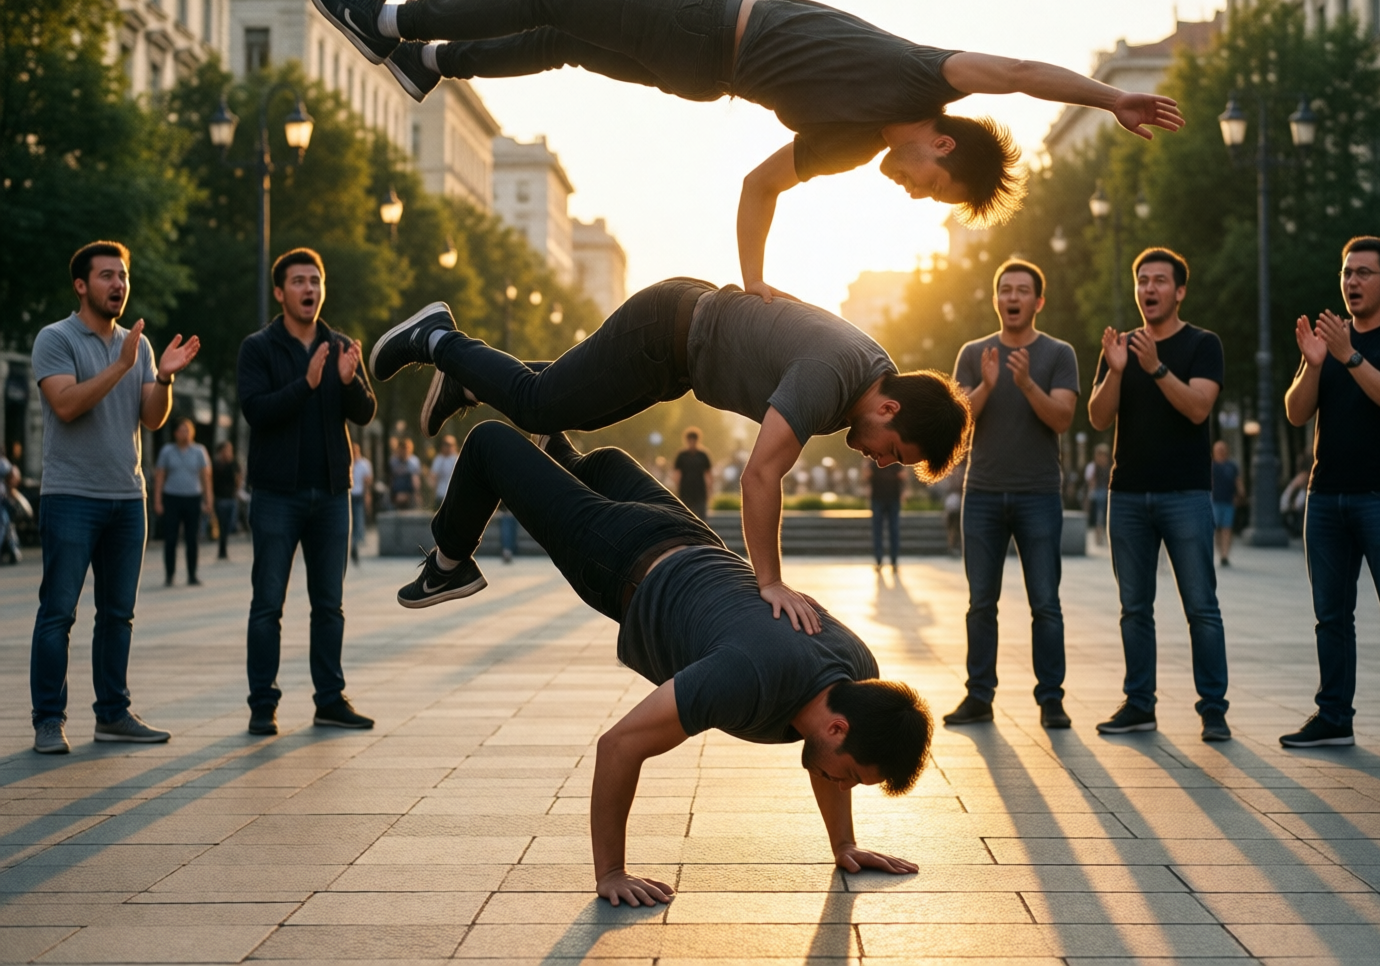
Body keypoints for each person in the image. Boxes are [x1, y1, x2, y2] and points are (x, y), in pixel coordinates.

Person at [306, 0, 1182, 302]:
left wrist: (757, 285)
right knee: (563, 40)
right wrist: (1110, 98)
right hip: (700, 69)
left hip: (705, 31)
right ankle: (435, 64)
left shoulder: (856, 143)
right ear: (943, 141)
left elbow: (757, 188)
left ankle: (389, 21)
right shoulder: (927, 77)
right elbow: (1026, 76)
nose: (914, 190)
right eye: (931, 184)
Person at [395, 420, 931, 905]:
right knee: (491, 444)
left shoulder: (859, 671)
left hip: (693, 539)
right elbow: (619, 745)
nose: (842, 786)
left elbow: (825, 756)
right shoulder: (744, 678)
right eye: (853, 777)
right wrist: (612, 873)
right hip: (617, 558)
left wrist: (845, 844)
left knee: (600, 464)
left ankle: (532, 413)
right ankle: (448, 563)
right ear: (838, 727)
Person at [371, 282, 970, 634]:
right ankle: (439, 338)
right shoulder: (831, 379)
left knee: (558, 404)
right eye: (893, 453)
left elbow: (788, 312)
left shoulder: (873, 367)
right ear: (890, 410)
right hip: (664, 332)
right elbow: (761, 474)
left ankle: (470, 382)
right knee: (537, 404)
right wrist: (771, 583)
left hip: (681, 348)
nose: (881, 462)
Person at [30, 241, 200, 754]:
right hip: (70, 495)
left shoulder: (138, 345)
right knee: (58, 612)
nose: (118, 285)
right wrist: (122, 367)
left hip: (127, 497)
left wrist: (163, 376)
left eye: (122, 276)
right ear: (81, 285)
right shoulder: (55, 339)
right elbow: (64, 404)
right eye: (106, 276)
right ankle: (47, 720)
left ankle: (112, 714)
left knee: (118, 614)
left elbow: (151, 418)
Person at [1281, 236, 1380, 760]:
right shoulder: (1331, 342)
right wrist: (1313, 363)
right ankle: (1334, 718)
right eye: (1347, 273)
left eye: (1364, 273)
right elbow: (1296, 413)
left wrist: (1348, 357)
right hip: (1326, 497)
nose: (1352, 282)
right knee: (1331, 616)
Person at [1087, 248, 1230, 744]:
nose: (1149, 289)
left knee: (1201, 607)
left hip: (1185, 494)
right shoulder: (1121, 348)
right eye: (1142, 281)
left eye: (1160, 281)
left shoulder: (1202, 344)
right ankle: (1139, 705)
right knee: (1134, 608)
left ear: (1179, 291)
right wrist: (1119, 369)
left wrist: (1157, 368)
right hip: (1126, 496)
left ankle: (1213, 709)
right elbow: (1099, 417)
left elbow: (1198, 409)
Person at [237, 248, 377, 737]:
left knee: (329, 605)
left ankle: (330, 700)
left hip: (332, 494)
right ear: (280, 292)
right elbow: (256, 410)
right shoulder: (259, 347)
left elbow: (364, 412)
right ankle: (262, 704)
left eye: (315, 281)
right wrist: (308, 384)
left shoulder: (338, 344)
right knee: (267, 605)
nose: (309, 289)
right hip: (277, 494)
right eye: (298, 281)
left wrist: (347, 382)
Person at [943, 260, 1078, 730]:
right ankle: (978, 696)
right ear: (996, 299)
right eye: (1005, 290)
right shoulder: (974, 352)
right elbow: (957, 422)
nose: (1013, 297)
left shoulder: (1059, 354)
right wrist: (988, 385)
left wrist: (1025, 385)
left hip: (1038, 494)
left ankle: (1052, 700)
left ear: (1038, 302)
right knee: (981, 602)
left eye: (1023, 290)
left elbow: (1062, 418)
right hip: (981, 495)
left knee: (1046, 603)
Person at [153, 418, 212, 586]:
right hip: (172, 497)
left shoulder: (199, 451)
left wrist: (209, 499)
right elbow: (159, 476)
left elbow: (206, 477)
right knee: (170, 539)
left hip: (193, 498)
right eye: (181, 430)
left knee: (192, 538)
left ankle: (192, 574)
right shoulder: (167, 451)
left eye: (187, 430)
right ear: (175, 433)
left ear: (192, 432)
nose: (184, 433)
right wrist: (157, 501)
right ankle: (169, 575)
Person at [866, 459, 905, 570]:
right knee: (887, 530)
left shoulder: (892, 460)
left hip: (889, 499)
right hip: (881, 499)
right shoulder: (876, 460)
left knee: (889, 530)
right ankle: (884, 560)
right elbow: (867, 475)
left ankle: (890, 560)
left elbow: (903, 476)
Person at [1210, 441, 1243, 568]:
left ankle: (1225, 555)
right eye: (1218, 449)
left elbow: (1237, 481)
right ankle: (1220, 553)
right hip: (1214, 501)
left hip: (1229, 501)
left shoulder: (1232, 466)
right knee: (1217, 529)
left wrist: (1240, 494)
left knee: (1227, 528)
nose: (1221, 451)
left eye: (1223, 449)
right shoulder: (1211, 466)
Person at [673, 427, 714, 519]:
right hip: (685, 492)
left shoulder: (703, 455)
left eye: (693, 440)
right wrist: (676, 488)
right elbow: (677, 474)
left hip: (700, 492)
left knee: (702, 518)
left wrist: (710, 490)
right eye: (690, 440)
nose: (692, 442)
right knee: (685, 518)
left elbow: (709, 474)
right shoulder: (681, 455)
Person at [213, 440, 241, 560]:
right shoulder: (216, 464)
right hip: (219, 498)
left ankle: (223, 547)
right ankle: (222, 550)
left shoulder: (234, 463)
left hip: (231, 498)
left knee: (229, 525)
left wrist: (236, 490)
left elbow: (239, 477)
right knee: (222, 525)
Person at [350, 441, 372, 565]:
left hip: (358, 495)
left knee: (358, 521)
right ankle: (352, 545)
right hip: (348, 495)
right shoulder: (348, 462)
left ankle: (355, 545)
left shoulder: (364, 464)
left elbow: (367, 481)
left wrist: (367, 496)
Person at [1084, 443, 1111, 548]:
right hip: (1097, 494)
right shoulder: (1093, 467)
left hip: (1104, 493)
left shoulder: (1108, 468)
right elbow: (1090, 482)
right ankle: (1098, 536)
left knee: (1102, 516)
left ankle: (1101, 536)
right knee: (1098, 516)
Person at [388, 437, 421, 511]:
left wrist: (417, 494)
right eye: (402, 448)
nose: (404, 451)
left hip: (410, 495)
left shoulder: (414, 462)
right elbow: (391, 479)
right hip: (396, 495)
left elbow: (415, 480)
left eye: (406, 448)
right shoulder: (393, 462)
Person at [430, 433, 459, 508]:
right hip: (440, 495)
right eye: (445, 445)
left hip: (454, 495)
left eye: (449, 445)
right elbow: (433, 477)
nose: (447, 447)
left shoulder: (458, 459)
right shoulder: (438, 459)